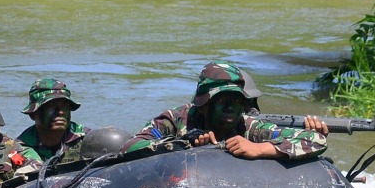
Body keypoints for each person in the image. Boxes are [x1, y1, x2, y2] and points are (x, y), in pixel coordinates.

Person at [124, 62, 329, 159]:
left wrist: (258, 149)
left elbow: (315, 140)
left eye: (237, 99)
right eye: (222, 100)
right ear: (204, 105)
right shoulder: (176, 120)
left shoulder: (248, 126)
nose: (231, 107)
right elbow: (131, 145)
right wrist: (183, 143)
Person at [14, 78, 89, 162]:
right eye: (51, 106)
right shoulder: (19, 149)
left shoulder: (88, 140)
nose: (60, 112)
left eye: (65, 106)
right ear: (33, 114)